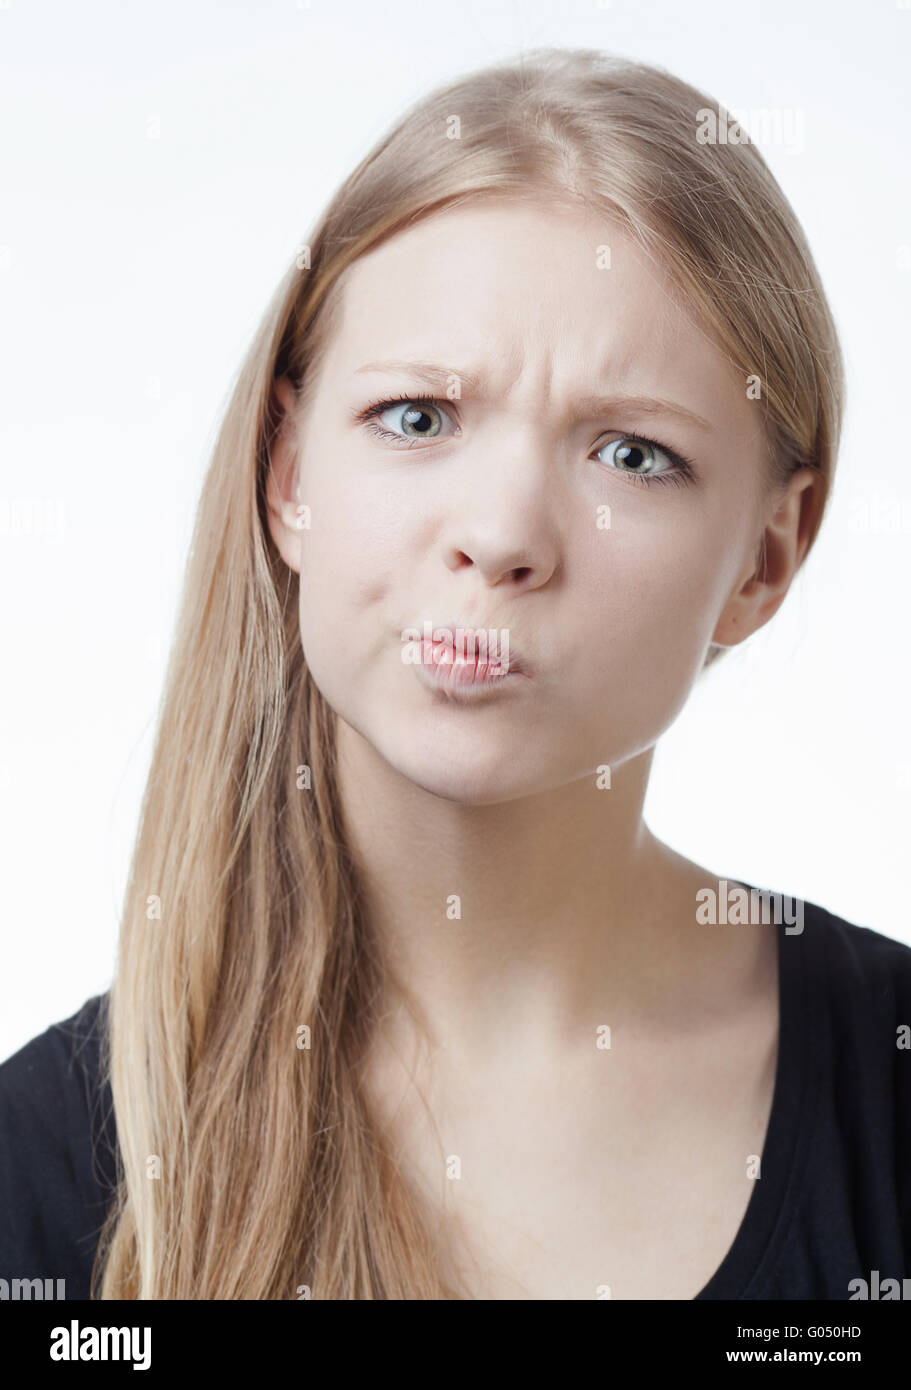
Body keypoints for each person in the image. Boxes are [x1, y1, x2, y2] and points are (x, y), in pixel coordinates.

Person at [2, 47, 909, 1301]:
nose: (501, 535)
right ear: (288, 479)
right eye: (418, 417)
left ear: (765, 556)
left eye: (631, 453)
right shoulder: (39, 1168)